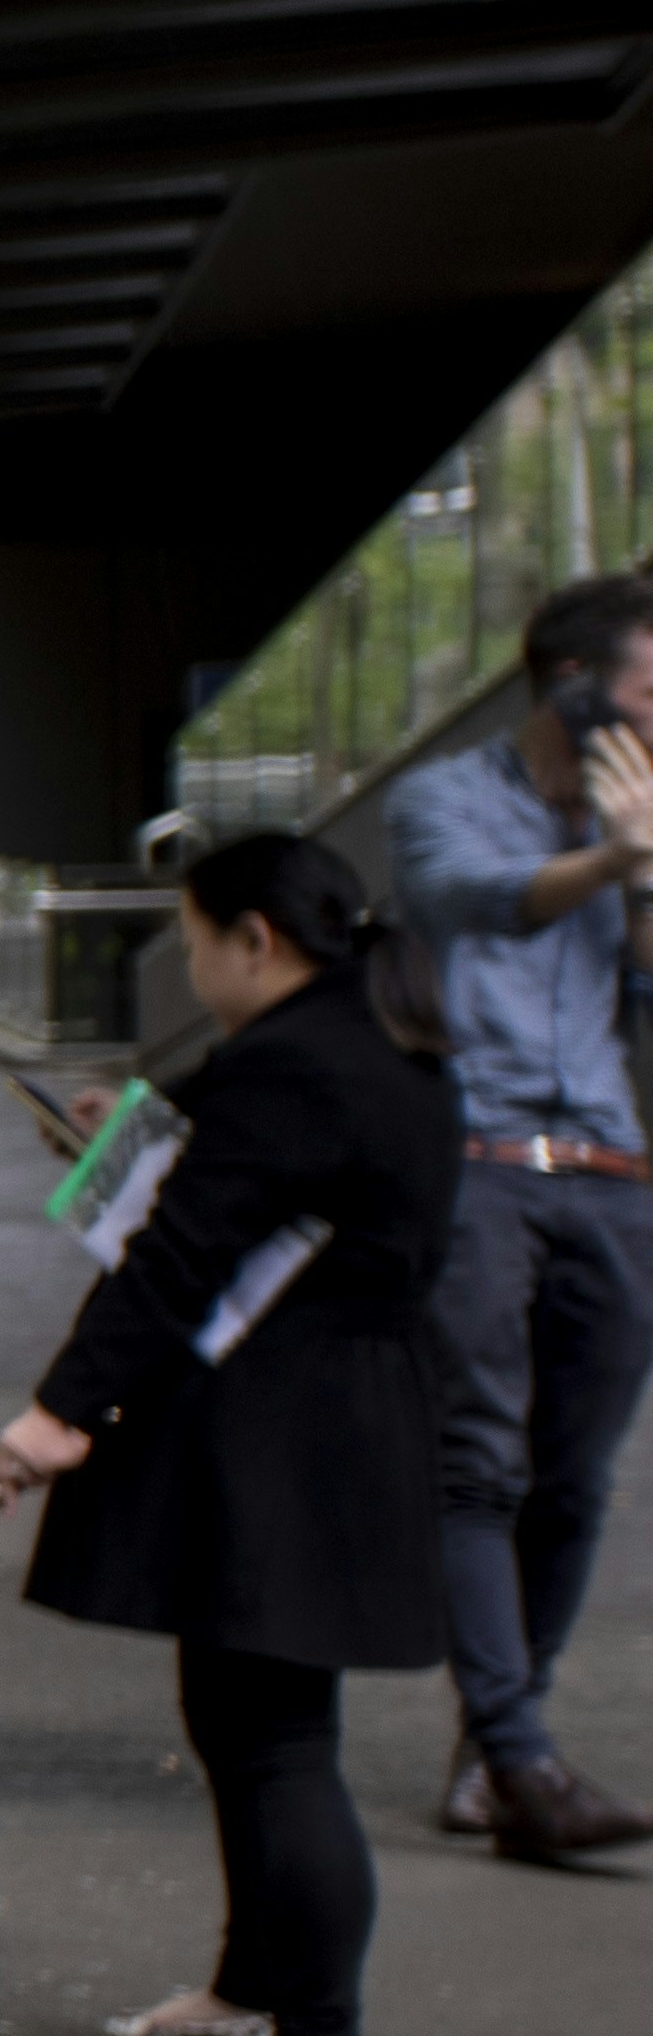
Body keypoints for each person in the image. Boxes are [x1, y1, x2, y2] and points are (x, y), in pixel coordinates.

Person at [0, 835, 463, 2036]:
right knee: (247, 1722)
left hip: (286, 1431)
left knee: (275, 1741)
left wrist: (57, 1414)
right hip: (337, 1416)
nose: (193, 969)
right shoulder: (373, 1035)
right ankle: (254, 1981)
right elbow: (230, 1185)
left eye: (198, 942)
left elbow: (179, 1256)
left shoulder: (297, 1060)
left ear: (255, 937)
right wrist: (130, 1136)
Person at [384, 570, 653, 1863]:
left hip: (611, 1171)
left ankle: (501, 1747)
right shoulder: (447, 796)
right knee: (478, 1459)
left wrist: (641, 881)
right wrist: (614, 855)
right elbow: (474, 900)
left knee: (578, 1476)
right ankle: (518, 1756)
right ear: (573, 686)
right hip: (481, 1155)